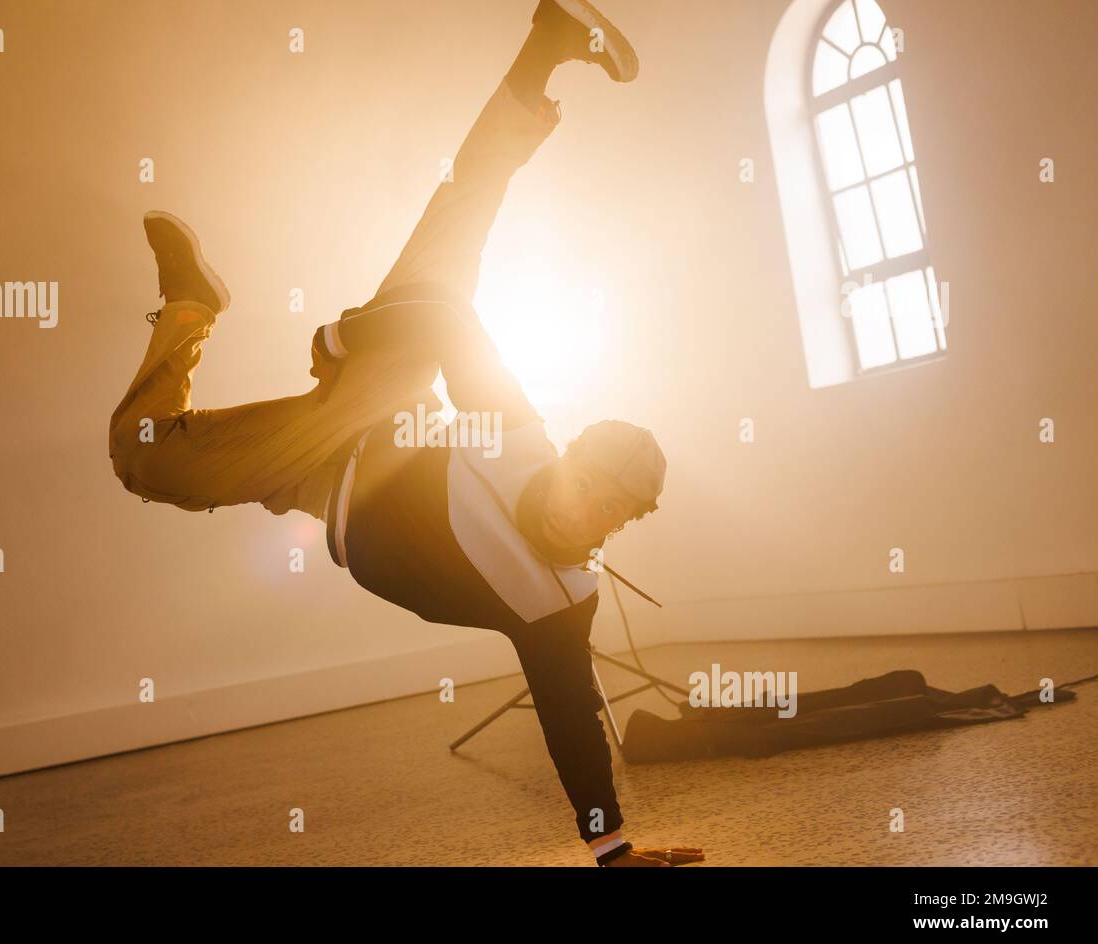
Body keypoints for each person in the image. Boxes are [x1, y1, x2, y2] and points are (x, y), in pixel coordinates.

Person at [108, 0, 703, 868]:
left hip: (317, 475)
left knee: (140, 455)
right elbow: (450, 325)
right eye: (592, 491)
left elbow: (573, 716)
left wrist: (611, 850)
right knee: (458, 229)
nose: (589, 521)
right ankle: (553, 39)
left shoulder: (563, 603)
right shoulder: (518, 431)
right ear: (570, 455)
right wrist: (343, 340)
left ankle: (192, 305)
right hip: (371, 406)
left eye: (613, 518)